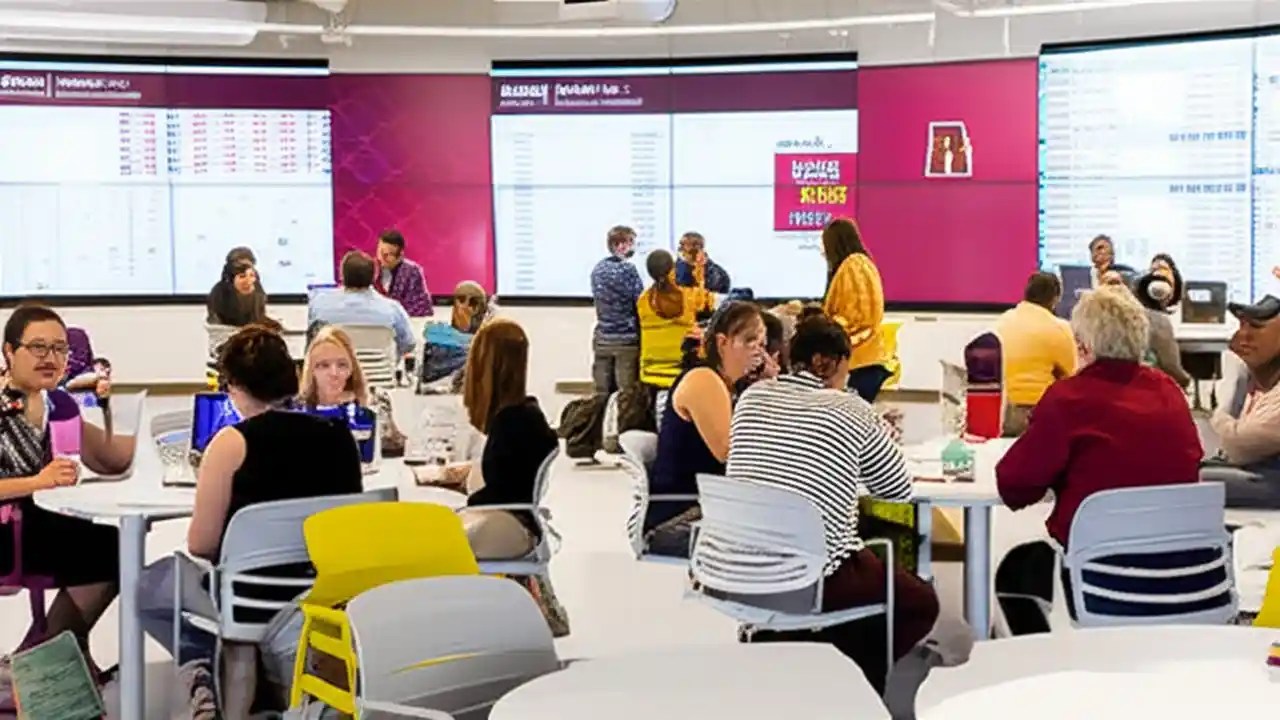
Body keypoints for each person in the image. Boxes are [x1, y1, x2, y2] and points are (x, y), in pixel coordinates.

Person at [728, 315, 966, 696]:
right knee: (919, 601)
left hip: (742, 566)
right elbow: (896, 490)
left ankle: (806, 650)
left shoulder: (751, 398)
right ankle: (863, 687)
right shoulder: (849, 409)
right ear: (832, 363)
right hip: (814, 573)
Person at [138, 325, 364, 717]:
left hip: (249, 601)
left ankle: (203, 671)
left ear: (236, 386)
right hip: (323, 593)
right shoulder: (340, 437)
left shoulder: (230, 443)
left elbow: (202, 544)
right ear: (293, 377)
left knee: (153, 584)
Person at [993, 286, 1203, 634]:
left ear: (1084, 346)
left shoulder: (1068, 398)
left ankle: (1037, 668)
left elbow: (1015, 485)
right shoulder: (1170, 393)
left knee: (1018, 568)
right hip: (1183, 574)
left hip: (1101, 575)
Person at [0, 305, 134, 681]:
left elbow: (109, 459)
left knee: (113, 546)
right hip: (8, 528)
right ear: (10, 352)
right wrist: (37, 481)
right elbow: (42, 479)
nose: (51, 359)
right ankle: (38, 659)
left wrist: (120, 416)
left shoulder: (56, 401)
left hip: (33, 521)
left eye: (60, 349)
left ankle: (38, 656)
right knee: (111, 550)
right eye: (38, 348)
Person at [457, 319, 569, 636]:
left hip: (512, 521)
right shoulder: (523, 415)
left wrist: (460, 490)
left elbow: (500, 491)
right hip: (518, 518)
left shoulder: (512, 423)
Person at [632, 302, 765, 558]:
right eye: (749, 341)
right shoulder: (704, 380)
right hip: (676, 520)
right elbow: (729, 455)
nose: (757, 352)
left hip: (698, 507)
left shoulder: (726, 385)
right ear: (723, 342)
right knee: (778, 536)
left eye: (761, 344)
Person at [1202, 294, 1280, 507]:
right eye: (1241, 326)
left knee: (1188, 479)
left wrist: (1231, 385)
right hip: (1258, 469)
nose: (1242, 337)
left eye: (1255, 327)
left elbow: (1235, 446)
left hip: (1271, 481)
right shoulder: (1261, 381)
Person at [992, 272, 1077, 436]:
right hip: (1039, 415)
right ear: (1055, 299)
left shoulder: (1002, 321)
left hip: (1002, 413)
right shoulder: (1059, 328)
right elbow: (1072, 375)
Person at [820, 218, 892, 403]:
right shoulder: (859, 264)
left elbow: (856, 317)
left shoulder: (854, 266)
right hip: (863, 360)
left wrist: (824, 327)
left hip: (861, 361)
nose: (823, 253)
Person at [309, 250, 416, 358]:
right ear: (374, 277)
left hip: (334, 373)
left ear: (342, 275)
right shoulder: (392, 309)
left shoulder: (319, 304)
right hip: (379, 373)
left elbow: (311, 345)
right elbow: (409, 344)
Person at [638, 249, 716, 392]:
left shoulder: (642, 301)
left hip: (649, 375)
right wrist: (699, 274)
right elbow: (710, 301)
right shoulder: (689, 297)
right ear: (672, 270)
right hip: (682, 374)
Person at [589, 225, 644, 395]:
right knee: (626, 394)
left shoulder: (598, 269)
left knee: (601, 393)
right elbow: (639, 300)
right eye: (632, 243)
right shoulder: (628, 270)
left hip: (602, 338)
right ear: (621, 245)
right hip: (626, 340)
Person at [1134, 271, 1192, 388]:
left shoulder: (1129, 316)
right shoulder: (1159, 321)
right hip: (1153, 385)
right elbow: (1170, 366)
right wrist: (1187, 381)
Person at [373, 229, 433, 317]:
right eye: (379, 252)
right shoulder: (371, 268)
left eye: (386, 255)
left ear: (400, 255)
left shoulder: (412, 271)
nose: (381, 258)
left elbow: (421, 305)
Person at [207, 256, 267, 327]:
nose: (248, 282)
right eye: (242, 276)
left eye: (251, 275)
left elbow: (260, 319)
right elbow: (216, 325)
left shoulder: (258, 292)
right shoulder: (219, 293)